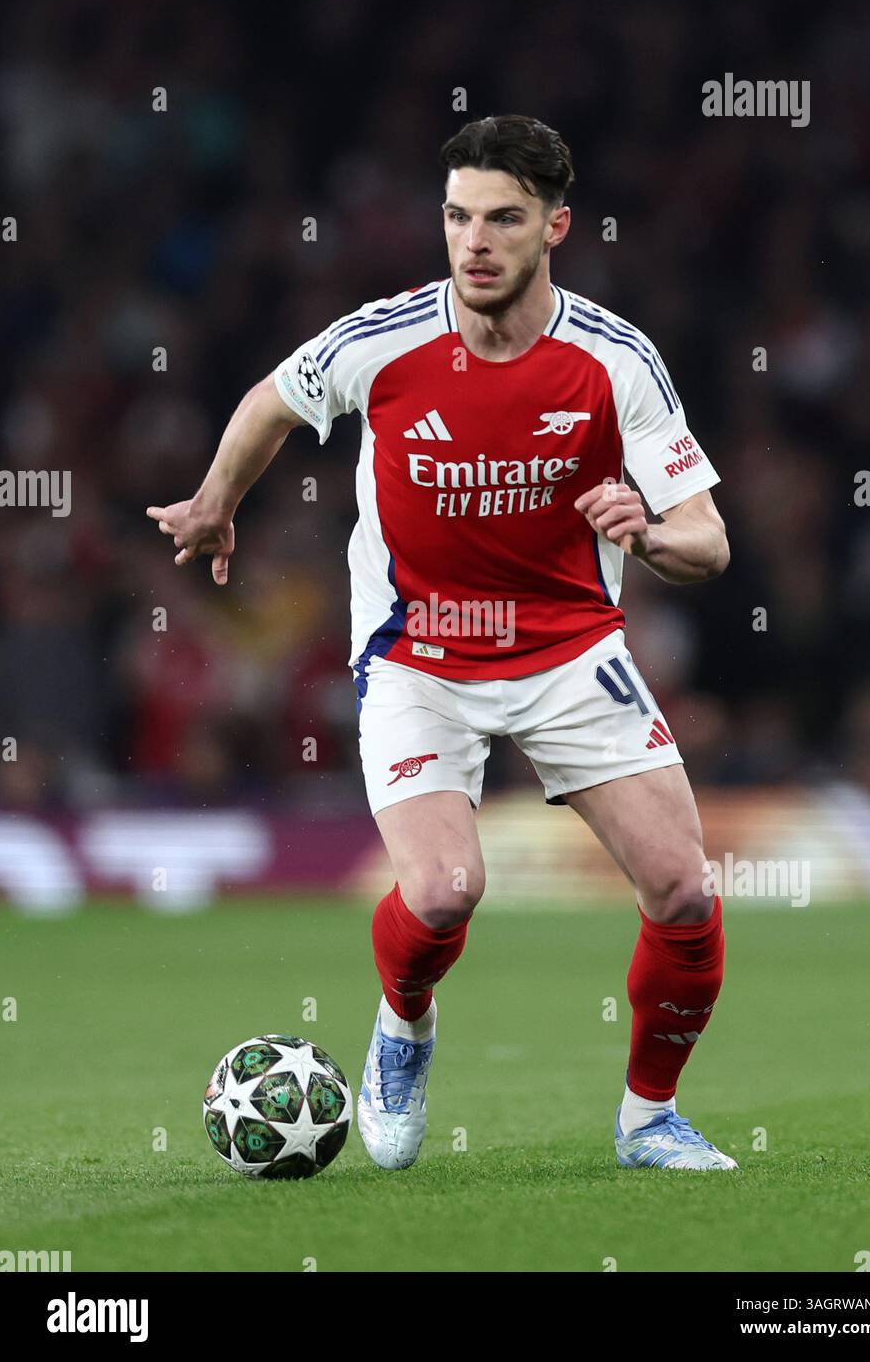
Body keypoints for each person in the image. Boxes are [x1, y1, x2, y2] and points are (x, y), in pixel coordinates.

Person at [148, 114, 736, 1172]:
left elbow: (708, 538)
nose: (474, 241)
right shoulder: (382, 338)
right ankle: (403, 1024)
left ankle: (649, 1116)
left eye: (503, 219)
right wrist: (213, 500)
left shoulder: (613, 359)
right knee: (442, 892)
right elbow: (271, 401)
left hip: (568, 650)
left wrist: (645, 531)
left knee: (685, 891)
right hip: (420, 656)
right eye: (459, 216)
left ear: (555, 225)